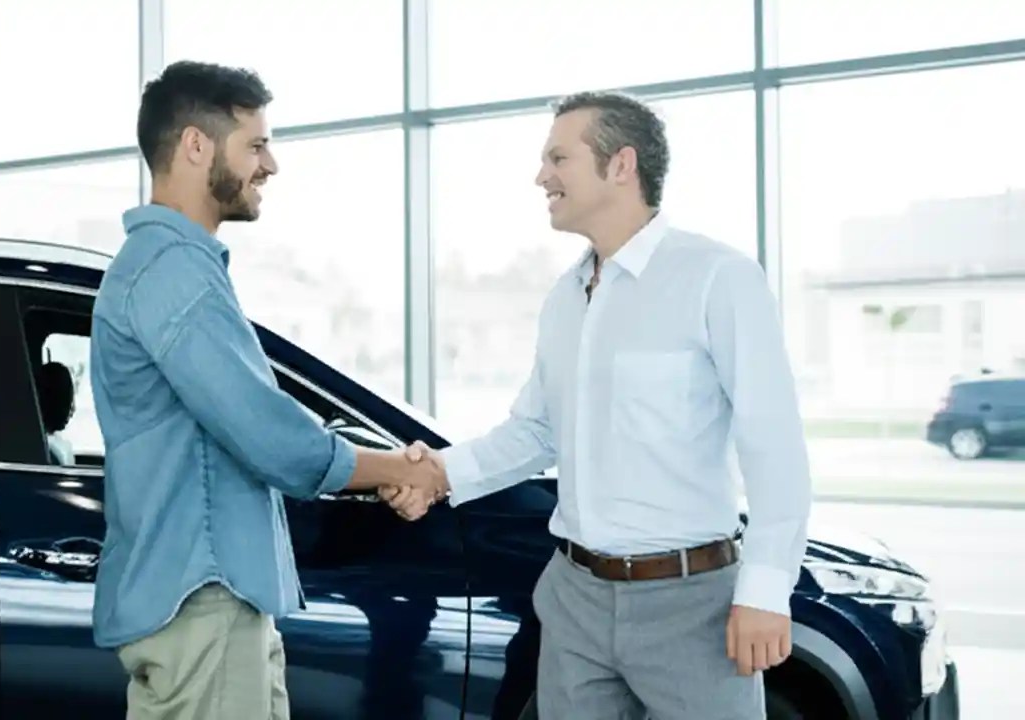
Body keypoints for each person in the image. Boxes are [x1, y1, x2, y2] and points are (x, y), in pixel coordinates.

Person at [384, 91, 812, 719]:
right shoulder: (565, 296)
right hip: (575, 598)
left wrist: (767, 589)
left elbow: (772, 441)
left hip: (691, 603)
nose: (541, 177)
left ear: (621, 165)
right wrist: (439, 473)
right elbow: (535, 430)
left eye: (558, 158)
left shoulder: (718, 277)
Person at [89, 60, 445, 720]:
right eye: (255, 145)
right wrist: (399, 467)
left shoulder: (171, 267)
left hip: (210, 603)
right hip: (202, 603)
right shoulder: (172, 271)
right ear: (197, 146)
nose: (270, 165)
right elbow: (268, 434)